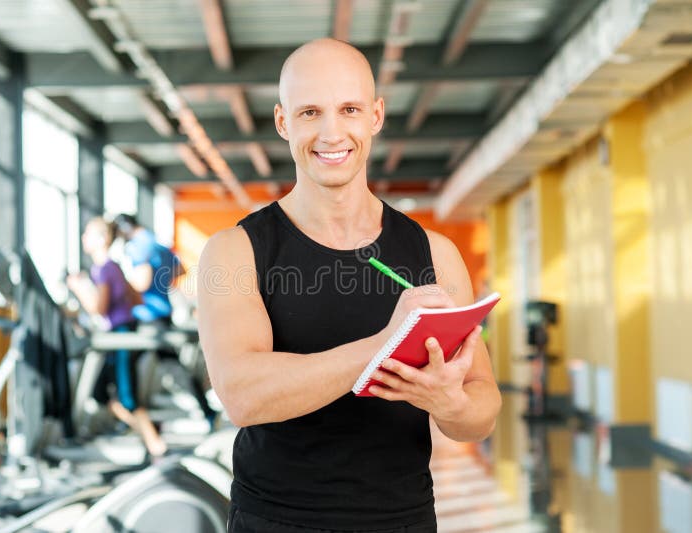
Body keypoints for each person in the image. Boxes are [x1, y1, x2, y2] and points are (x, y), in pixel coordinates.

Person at [197, 39, 502, 532]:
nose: (331, 132)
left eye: (350, 109)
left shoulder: (435, 253)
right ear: (282, 122)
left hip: (403, 521)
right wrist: (384, 345)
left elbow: (482, 407)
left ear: (376, 116)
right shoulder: (234, 251)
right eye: (311, 112)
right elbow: (242, 396)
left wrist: (454, 405)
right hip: (276, 522)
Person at [67, 217, 168, 458]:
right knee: (100, 393)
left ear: (101, 240)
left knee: (126, 394)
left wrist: (78, 287)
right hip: (121, 331)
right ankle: (149, 432)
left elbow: (98, 308)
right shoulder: (113, 266)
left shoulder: (103, 269)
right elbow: (136, 299)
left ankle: (155, 442)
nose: (83, 239)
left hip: (120, 334)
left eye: (87, 234)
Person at [112, 213, 217, 425]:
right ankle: (206, 411)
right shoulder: (157, 244)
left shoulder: (138, 246)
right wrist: (161, 283)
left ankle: (131, 414)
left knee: (131, 365)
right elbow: (180, 269)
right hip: (161, 313)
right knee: (168, 365)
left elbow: (142, 281)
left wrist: (118, 282)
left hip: (146, 316)